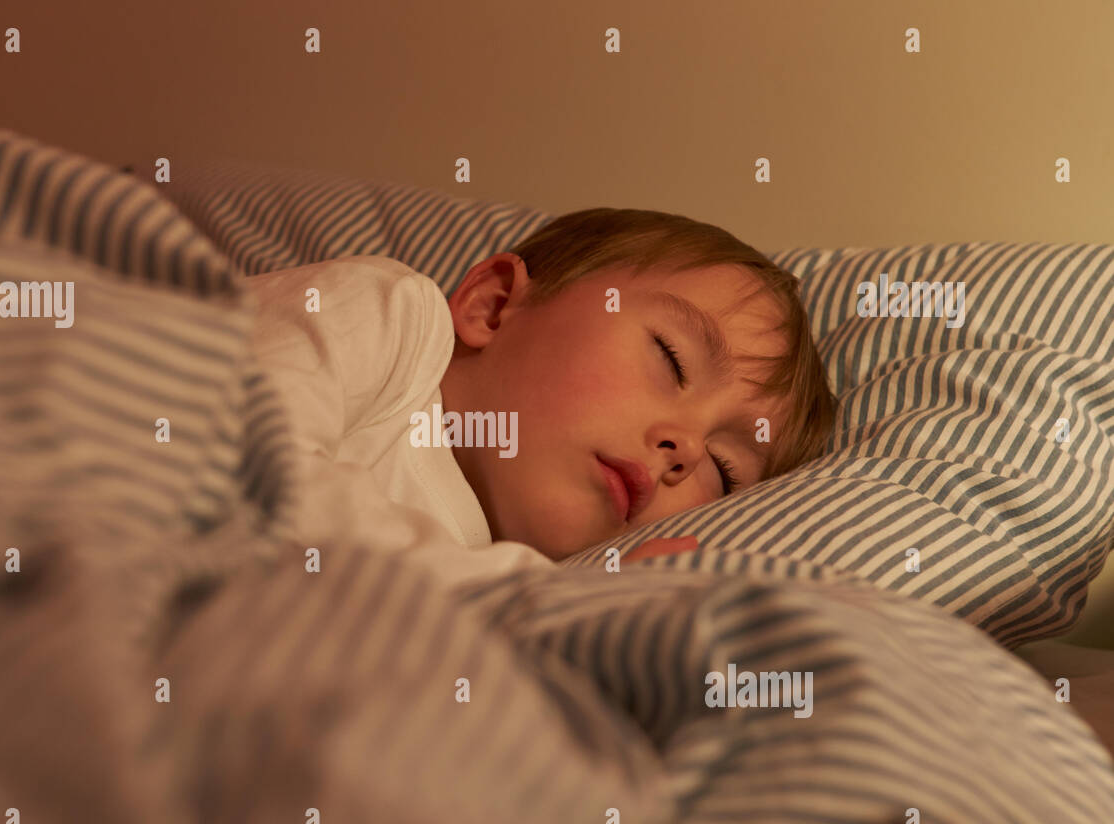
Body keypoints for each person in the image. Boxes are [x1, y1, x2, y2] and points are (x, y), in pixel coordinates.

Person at [246, 207, 837, 585]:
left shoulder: (535, 601)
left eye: (726, 470)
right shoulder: (391, 318)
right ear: (494, 306)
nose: (684, 446)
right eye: (671, 357)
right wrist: (516, 598)